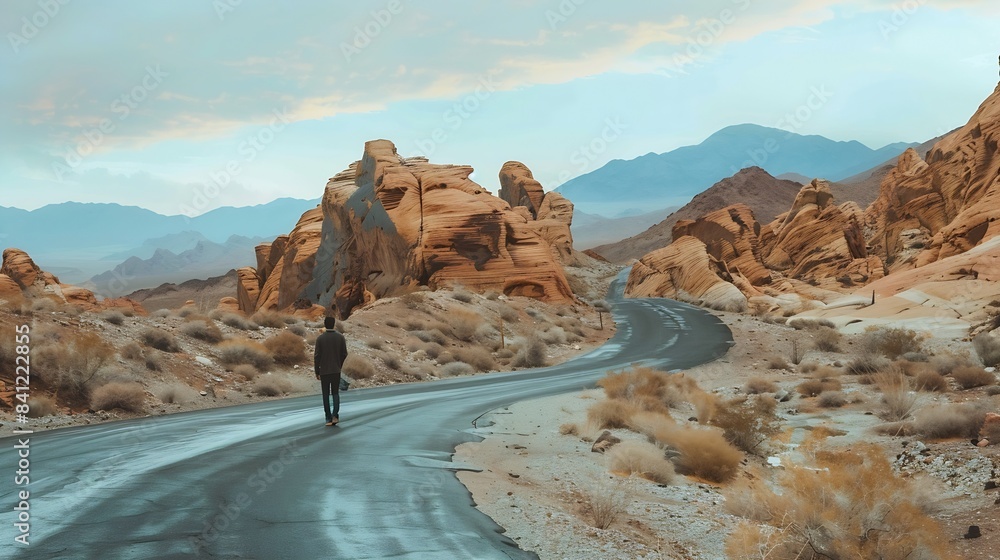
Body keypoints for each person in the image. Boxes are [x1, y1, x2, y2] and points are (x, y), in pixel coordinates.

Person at [314, 316, 348, 426]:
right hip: (336, 370)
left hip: (324, 371)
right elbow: (344, 354)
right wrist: (339, 364)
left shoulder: (320, 339)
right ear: (333, 324)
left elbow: (317, 356)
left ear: (324, 324)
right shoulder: (340, 337)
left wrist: (317, 371)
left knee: (325, 395)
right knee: (335, 393)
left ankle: (328, 418)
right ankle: (335, 415)